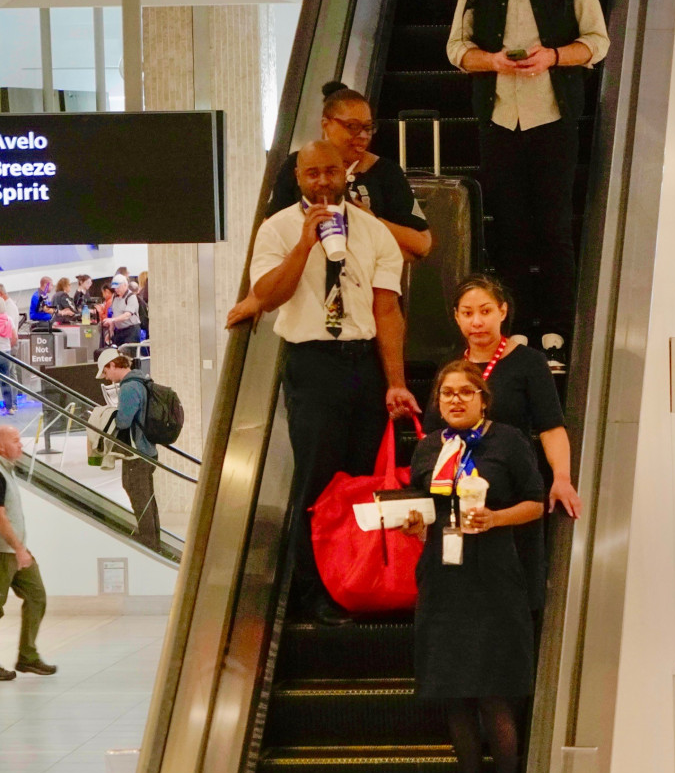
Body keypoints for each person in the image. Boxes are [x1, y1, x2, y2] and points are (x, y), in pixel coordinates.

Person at [228, 140, 419, 623]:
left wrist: (395, 382)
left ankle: (361, 578)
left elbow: (387, 309)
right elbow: (267, 295)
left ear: (345, 174)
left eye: (331, 172)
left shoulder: (374, 231)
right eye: (312, 174)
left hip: (365, 362)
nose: (323, 182)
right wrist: (305, 244)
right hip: (312, 364)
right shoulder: (276, 229)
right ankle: (314, 591)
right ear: (298, 177)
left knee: (364, 479)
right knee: (317, 478)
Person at [447, 0, 610, 354]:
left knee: (554, 226)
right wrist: (492, 61)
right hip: (499, 115)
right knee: (509, 228)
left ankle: (559, 327)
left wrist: (553, 56)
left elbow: (597, 42)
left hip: (553, 114)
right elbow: (456, 48)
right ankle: (515, 325)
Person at [402, 360, 543, 773]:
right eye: (447, 393)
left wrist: (497, 518)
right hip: (443, 579)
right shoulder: (429, 447)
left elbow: (536, 502)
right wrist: (414, 524)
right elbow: (423, 506)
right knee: (454, 695)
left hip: (493, 576)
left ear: (484, 398)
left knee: (493, 695)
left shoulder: (508, 442)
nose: (456, 400)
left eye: (466, 391)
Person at [440, 276, 580, 614]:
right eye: (467, 313)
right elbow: (435, 433)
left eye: (485, 311)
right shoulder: (450, 367)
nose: (477, 321)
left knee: (515, 596)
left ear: (503, 312)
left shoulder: (529, 362)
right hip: (458, 494)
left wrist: (562, 478)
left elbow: (551, 427)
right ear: (456, 317)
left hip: (513, 492)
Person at [263, 82, 435, 262]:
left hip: (367, 276)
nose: (363, 136)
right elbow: (269, 234)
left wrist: (372, 223)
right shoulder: (298, 163)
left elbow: (422, 244)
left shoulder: (386, 172)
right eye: (352, 127)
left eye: (368, 128)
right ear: (326, 125)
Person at [0, 426, 54, 678]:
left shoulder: (7, 471)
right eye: (15, 440)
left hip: (16, 550)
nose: (21, 445)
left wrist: (20, 549)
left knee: (36, 595)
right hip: (4, 553)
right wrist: (19, 548)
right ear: (1, 447)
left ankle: (27, 657)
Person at [97, 348, 161, 550]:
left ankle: (149, 540)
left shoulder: (129, 387)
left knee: (139, 493)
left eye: (106, 372)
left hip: (137, 452)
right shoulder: (141, 379)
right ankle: (153, 538)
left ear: (113, 365)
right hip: (147, 449)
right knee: (145, 494)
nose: (106, 378)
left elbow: (124, 421)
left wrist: (110, 414)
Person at [102, 277, 142, 347]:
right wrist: (111, 330)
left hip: (131, 330)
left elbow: (127, 315)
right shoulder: (115, 297)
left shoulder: (131, 297)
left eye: (118, 287)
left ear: (125, 285)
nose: (116, 290)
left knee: (128, 352)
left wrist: (112, 320)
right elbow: (114, 314)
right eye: (115, 288)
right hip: (119, 331)